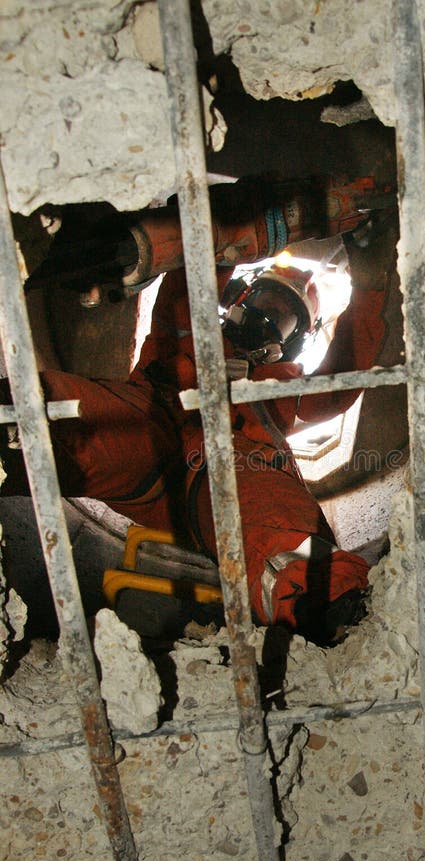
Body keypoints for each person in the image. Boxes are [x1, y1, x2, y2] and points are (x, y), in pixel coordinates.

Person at [1, 176, 396, 644]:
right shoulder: (192, 327)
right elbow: (196, 271)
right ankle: (12, 433)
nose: (268, 318)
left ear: (295, 340)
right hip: (155, 421)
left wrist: (370, 281)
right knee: (81, 422)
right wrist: (237, 226)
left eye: (285, 317)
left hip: (213, 479)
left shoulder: (281, 387)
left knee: (269, 506)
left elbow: (341, 379)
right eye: (265, 301)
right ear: (240, 299)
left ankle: (328, 604)